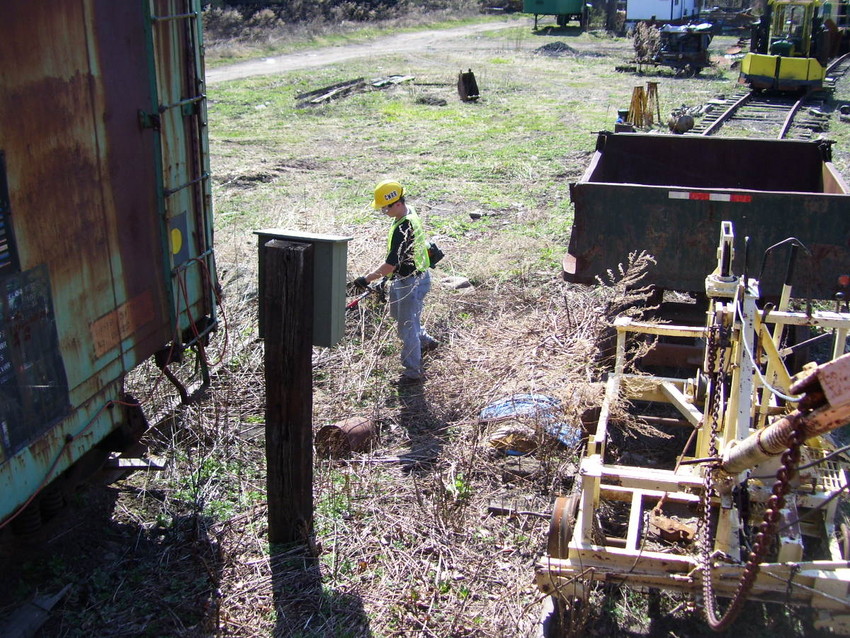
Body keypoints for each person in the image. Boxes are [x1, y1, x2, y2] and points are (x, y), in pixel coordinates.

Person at [354, 180, 438, 384]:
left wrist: (367, 279)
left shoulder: (404, 227)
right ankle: (425, 341)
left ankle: (413, 372)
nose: (384, 212)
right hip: (408, 278)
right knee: (399, 315)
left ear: (397, 204)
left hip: (411, 283)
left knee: (407, 326)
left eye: (385, 208)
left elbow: (391, 264)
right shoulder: (407, 213)